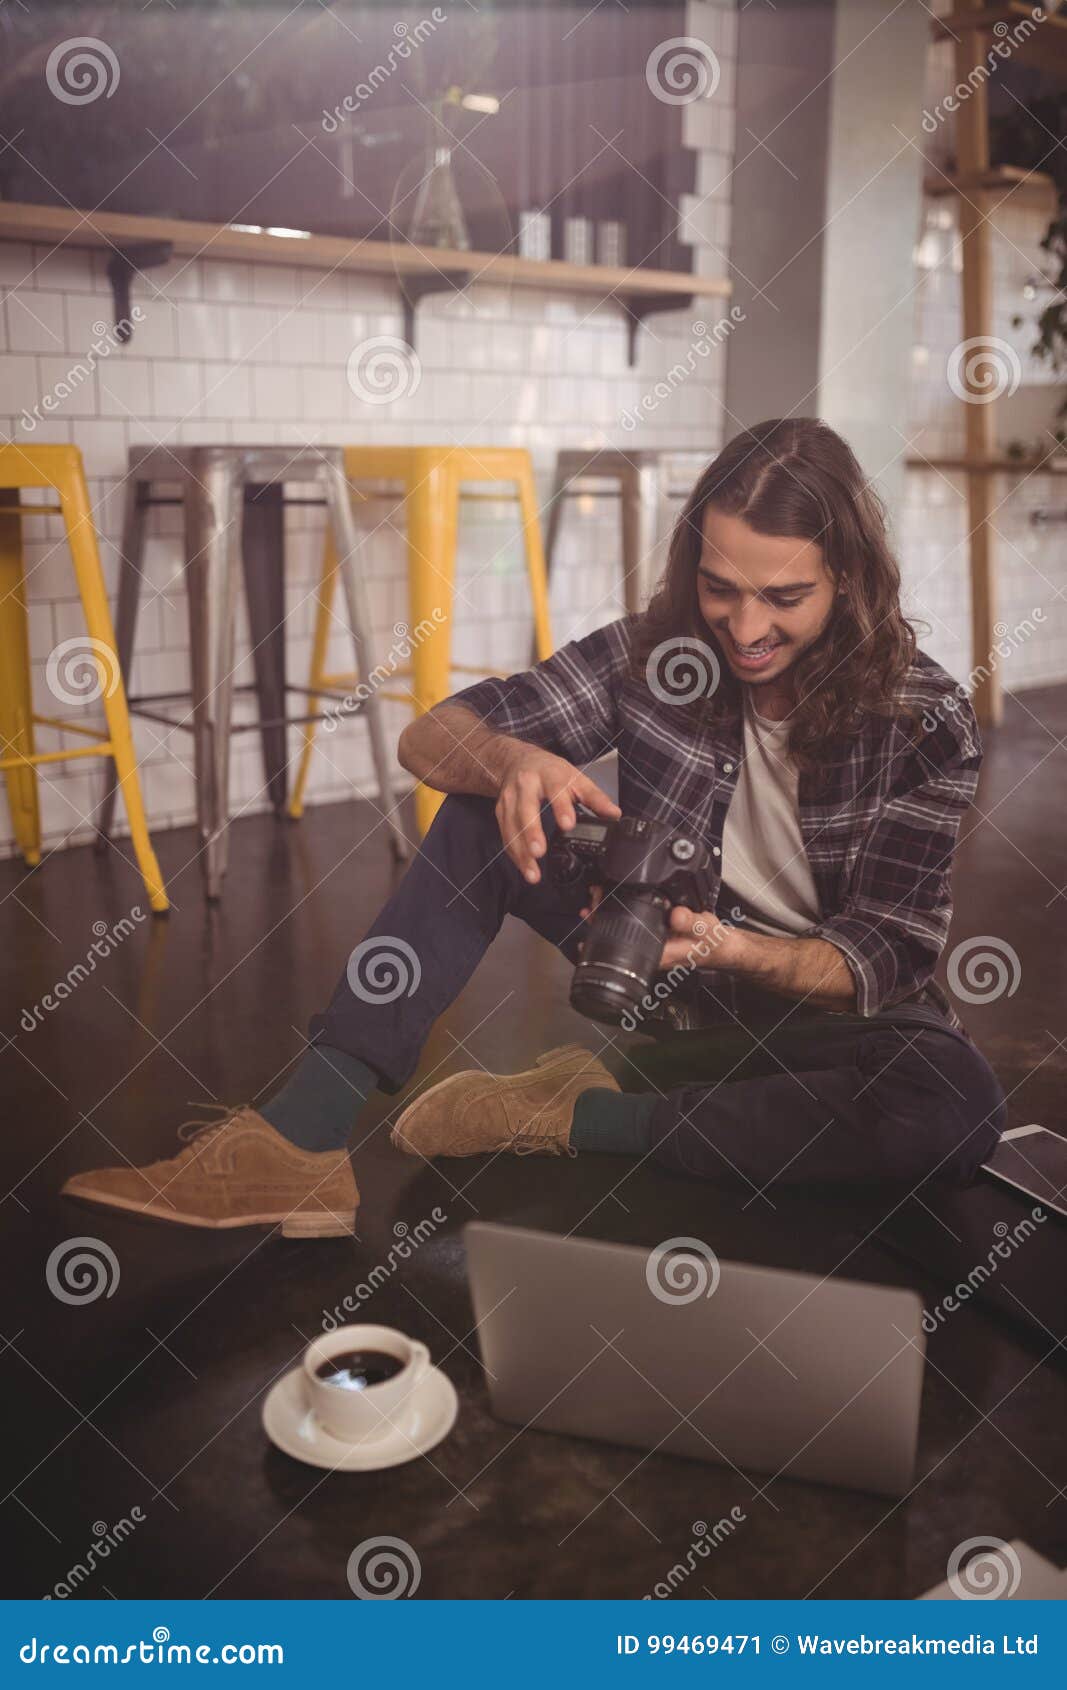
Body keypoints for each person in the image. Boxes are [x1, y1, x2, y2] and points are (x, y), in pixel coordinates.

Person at [62, 419, 1006, 1236]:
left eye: (783, 599)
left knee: (952, 1111)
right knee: (482, 806)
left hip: (813, 1023)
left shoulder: (921, 721)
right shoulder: (657, 652)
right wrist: (513, 763)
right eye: (722, 587)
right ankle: (303, 1138)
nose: (744, 626)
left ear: (844, 579)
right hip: (660, 985)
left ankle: (584, 1115)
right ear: (696, 563)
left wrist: (726, 948)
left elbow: (882, 958)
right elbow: (430, 734)